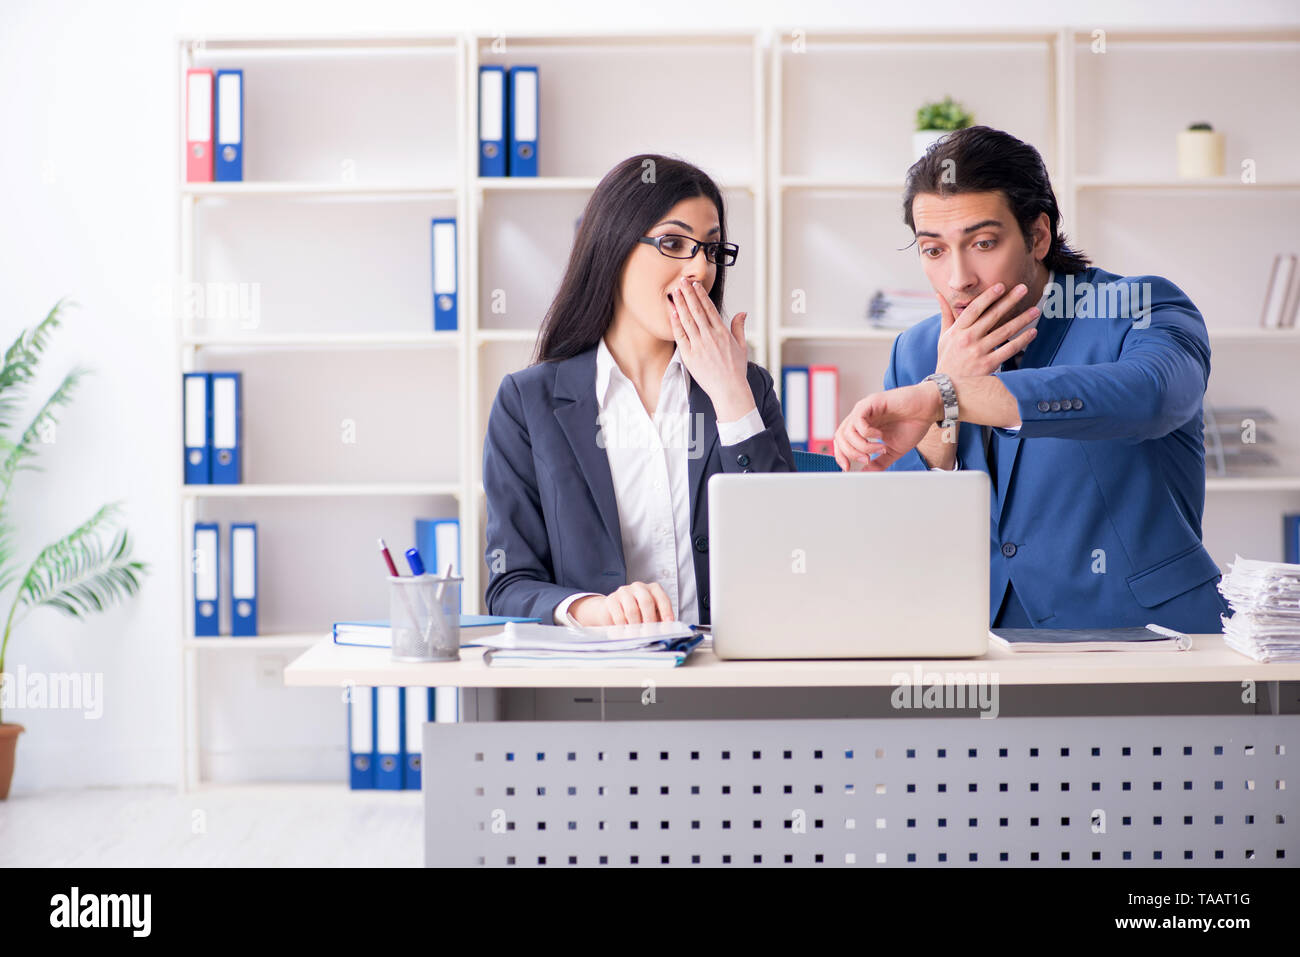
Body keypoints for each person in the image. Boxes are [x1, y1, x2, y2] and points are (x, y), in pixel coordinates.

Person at [833, 126, 1230, 633]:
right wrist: (942, 407)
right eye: (934, 250)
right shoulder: (916, 352)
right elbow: (911, 536)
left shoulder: (1138, 307)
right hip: (980, 644)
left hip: (1152, 640)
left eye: (982, 243)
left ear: (1038, 235)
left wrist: (948, 394)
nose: (959, 278)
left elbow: (1152, 396)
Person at [483, 154, 795, 627]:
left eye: (710, 249)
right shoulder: (527, 404)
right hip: (601, 680)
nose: (699, 270)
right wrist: (595, 609)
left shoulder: (747, 387)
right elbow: (510, 586)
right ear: (613, 248)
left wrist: (732, 397)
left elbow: (788, 556)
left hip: (727, 678)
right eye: (673, 242)